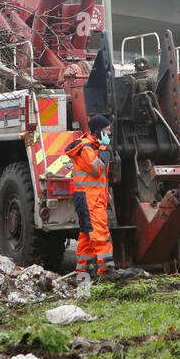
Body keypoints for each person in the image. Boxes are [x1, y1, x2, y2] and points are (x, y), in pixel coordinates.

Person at [70, 113, 115, 278]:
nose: (109, 134)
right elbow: (97, 169)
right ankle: (106, 270)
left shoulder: (91, 147)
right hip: (89, 199)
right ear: (98, 131)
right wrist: (104, 149)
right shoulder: (86, 148)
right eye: (107, 130)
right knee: (99, 233)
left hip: (93, 199)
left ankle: (83, 271)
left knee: (87, 235)